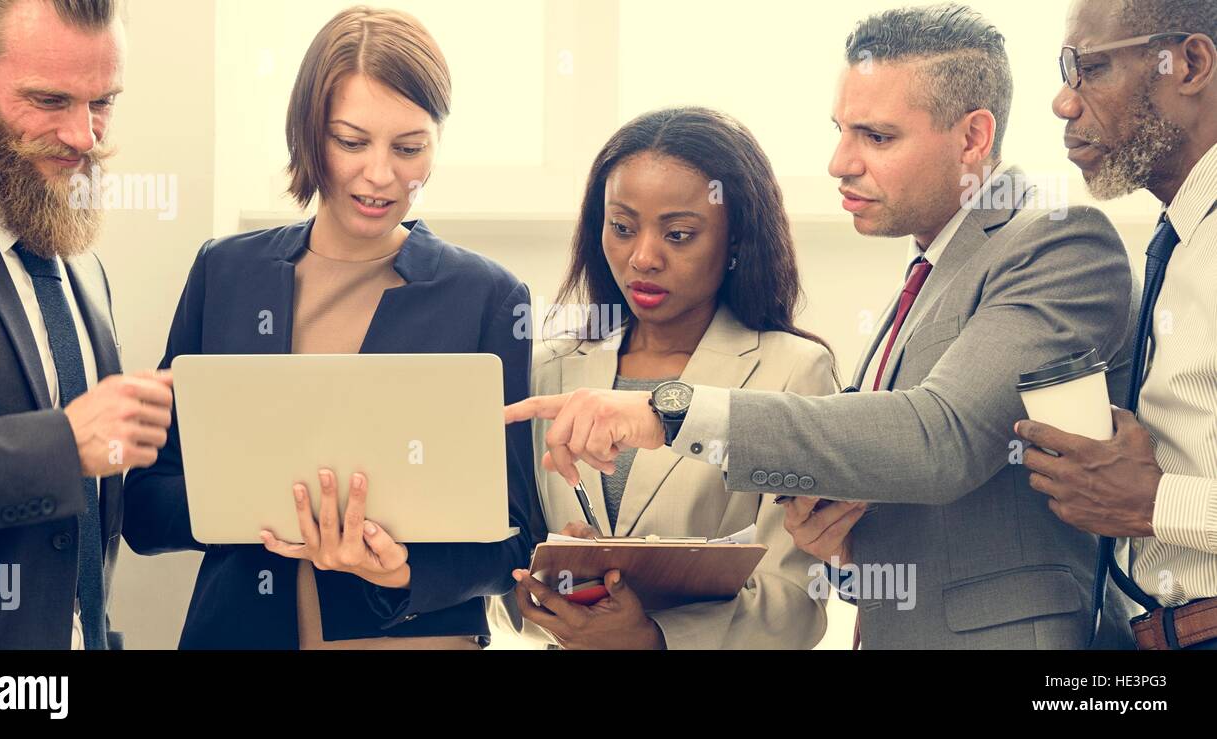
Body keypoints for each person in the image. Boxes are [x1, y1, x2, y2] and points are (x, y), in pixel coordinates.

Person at [505, 3, 1137, 649]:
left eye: (877, 137)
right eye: (841, 130)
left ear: (973, 138)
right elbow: (928, 502)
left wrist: (669, 412)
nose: (839, 161)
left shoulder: (1058, 242)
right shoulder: (932, 270)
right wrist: (838, 541)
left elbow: (941, 437)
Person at [122, 5, 536, 649]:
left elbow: (514, 536)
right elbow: (144, 508)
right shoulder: (225, 274)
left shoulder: (487, 297)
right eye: (351, 142)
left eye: (409, 148)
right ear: (309, 134)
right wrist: (257, 502)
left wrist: (403, 570)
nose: (380, 175)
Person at [487, 107, 833, 649]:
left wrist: (653, 636)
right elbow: (501, 593)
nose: (642, 258)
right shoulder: (549, 367)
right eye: (622, 228)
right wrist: (556, 588)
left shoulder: (792, 371)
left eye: (678, 234)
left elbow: (795, 604)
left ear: (737, 239)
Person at [0, 0, 173, 649]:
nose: (84, 136)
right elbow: (68, 448)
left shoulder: (75, 250)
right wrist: (59, 445)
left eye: (103, 102)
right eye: (51, 100)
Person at [1016, 0, 1217, 650]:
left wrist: (1156, 503)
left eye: (1090, 68)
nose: (1063, 103)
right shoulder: (1184, 238)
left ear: (1189, 64)